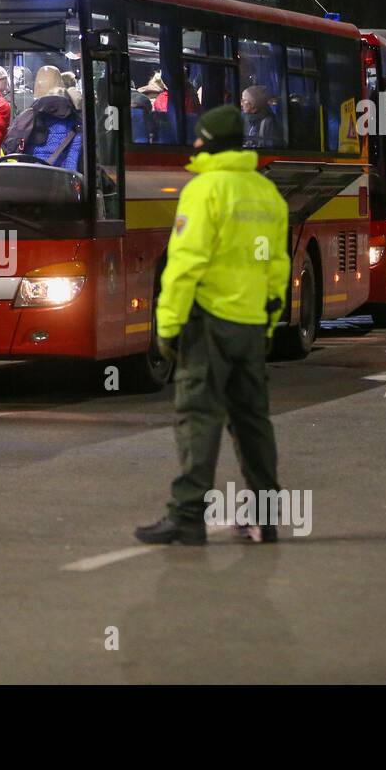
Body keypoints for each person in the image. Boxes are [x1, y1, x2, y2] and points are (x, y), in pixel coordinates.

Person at [135, 104, 291, 546]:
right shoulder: (267, 194)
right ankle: (264, 518)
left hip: (208, 325)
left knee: (198, 418)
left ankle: (187, 517)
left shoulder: (204, 191)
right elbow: (276, 268)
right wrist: (266, 323)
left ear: (208, 141)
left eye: (199, 137)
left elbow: (185, 264)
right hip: (250, 326)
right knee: (253, 423)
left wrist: (166, 327)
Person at [2, 65, 82, 169]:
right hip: (59, 177)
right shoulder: (75, 121)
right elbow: (73, 159)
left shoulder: (30, 116)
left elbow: (14, 146)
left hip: (32, 175)